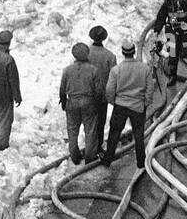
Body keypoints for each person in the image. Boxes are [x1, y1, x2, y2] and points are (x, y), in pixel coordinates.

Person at [102, 38, 150, 170]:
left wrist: (113, 102)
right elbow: (149, 89)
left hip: (120, 106)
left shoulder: (116, 70)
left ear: (123, 53)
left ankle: (107, 160)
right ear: (134, 51)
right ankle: (141, 162)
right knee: (139, 135)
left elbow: (109, 90)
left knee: (114, 134)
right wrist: (145, 103)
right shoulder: (144, 69)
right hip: (138, 106)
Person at [59, 41, 104, 165]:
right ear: (87, 54)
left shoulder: (67, 70)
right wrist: (97, 103)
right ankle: (90, 156)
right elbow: (99, 90)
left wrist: (63, 102)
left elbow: (62, 89)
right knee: (90, 130)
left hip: (72, 102)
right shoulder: (93, 70)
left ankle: (74, 155)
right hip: (88, 102)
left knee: (72, 130)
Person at [85, 26, 116, 159]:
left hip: (87, 94)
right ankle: (97, 146)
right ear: (104, 38)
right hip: (102, 96)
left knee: (89, 121)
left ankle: (89, 146)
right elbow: (114, 77)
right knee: (100, 122)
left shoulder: (85, 53)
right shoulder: (110, 56)